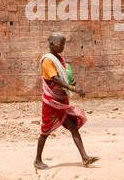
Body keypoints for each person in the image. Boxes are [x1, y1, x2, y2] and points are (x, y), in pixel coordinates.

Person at [34, 33, 99, 169]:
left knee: (73, 127)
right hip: (51, 102)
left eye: (64, 44)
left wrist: (69, 81)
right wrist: (73, 88)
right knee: (45, 131)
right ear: (51, 44)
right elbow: (56, 79)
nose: (63, 46)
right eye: (60, 44)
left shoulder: (59, 59)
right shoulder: (47, 60)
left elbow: (63, 77)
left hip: (61, 101)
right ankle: (37, 160)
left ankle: (85, 157)